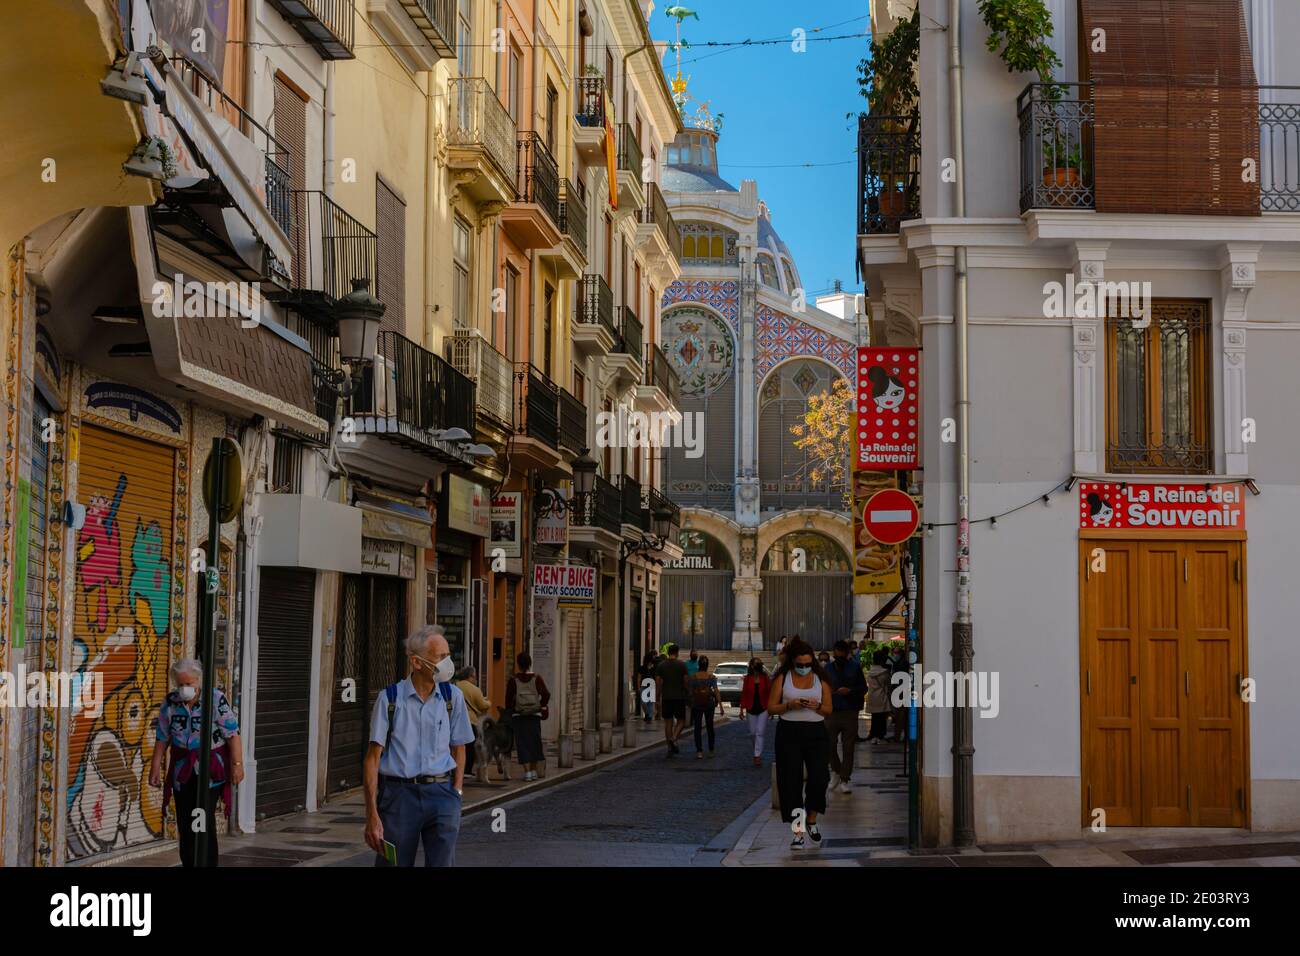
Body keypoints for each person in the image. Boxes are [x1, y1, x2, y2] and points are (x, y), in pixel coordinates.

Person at [364, 625, 474, 867]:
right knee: (393, 864)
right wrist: (372, 813)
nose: (448, 663)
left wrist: (456, 791)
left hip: (443, 795)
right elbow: (372, 759)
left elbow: (459, 747)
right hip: (399, 798)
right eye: (441, 657)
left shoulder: (452, 697)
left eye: (448, 655)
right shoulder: (390, 699)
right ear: (416, 662)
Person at [149, 658, 243, 867]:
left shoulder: (215, 699)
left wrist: (237, 765)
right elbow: (162, 737)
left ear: (198, 681)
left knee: (201, 818)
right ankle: (190, 862)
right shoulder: (170, 703)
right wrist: (155, 767)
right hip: (183, 771)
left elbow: (232, 733)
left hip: (209, 771)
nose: (184, 689)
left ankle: (206, 863)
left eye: (189, 684)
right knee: (185, 820)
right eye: (181, 684)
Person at [768, 637, 833, 850]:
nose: (804, 668)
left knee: (820, 778)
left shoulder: (820, 679)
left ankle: (812, 819)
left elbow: (828, 710)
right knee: (790, 782)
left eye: (808, 664)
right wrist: (789, 705)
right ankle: (797, 832)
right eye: (800, 665)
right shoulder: (782, 678)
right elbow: (771, 708)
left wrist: (816, 706)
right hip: (789, 732)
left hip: (816, 732)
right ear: (792, 662)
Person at [824, 640, 867, 794]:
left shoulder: (855, 667)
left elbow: (863, 687)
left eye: (842, 651)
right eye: (837, 651)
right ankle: (835, 770)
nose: (839, 654)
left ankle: (844, 778)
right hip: (832, 711)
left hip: (850, 711)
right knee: (829, 744)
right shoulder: (828, 668)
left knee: (848, 747)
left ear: (847, 652)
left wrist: (850, 690)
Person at [506, 652, 550, 781]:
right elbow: (546, 694)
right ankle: (534, 770)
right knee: (535, 743)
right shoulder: (537, 679)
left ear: (518, 664)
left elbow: (508, 699)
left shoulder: (513, 680)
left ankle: (527, 773)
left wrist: (511, 710)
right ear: (530, 663)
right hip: (534, 715)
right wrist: (540, 705)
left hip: (518, 716)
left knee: (522, 743)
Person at [454, 666, 493, 779]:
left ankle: (454, 769)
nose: (475, 679)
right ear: (470, 676)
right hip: (470, 721)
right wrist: (488, 702)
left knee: (456, 746)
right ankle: (467, 770)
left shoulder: (455, 686)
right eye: (474, 676)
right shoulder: (474, 689)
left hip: (455, 720)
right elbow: (482, 705)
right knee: (470, 747)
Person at [655, 643, 689, 756]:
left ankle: (670, 748)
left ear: (668, 652)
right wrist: (687, 692)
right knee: (681, 721)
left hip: (666, 697)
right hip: (679, 697)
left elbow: (658, 683)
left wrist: (657, 698)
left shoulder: (661, 665)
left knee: (668, 722)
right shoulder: (682, 665)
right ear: (677, 653)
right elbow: (685, 682)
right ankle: (674, 738)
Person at [739, 657, 772, 767]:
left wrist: (771, 708)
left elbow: (769, 693)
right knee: (752, 733)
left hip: (763, 708)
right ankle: (756, 750)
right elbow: (744, 694)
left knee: (760, 732)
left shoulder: (765, 678)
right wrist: (741, 710)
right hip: (750, 708)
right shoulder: (747, 679)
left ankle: (757, 755)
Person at [687, 655, 722, 758]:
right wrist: (720, 705)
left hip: (697, 704)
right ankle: (711, 749)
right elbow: (716, 691)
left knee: (697, 727)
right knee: (710, 726)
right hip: (709, 703)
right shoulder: (711, 677)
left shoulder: (693, 678)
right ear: (707, 665)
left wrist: (690, 703)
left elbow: (690, 692)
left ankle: (699, 751)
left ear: (699, 665)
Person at [866, 649, 892, 744]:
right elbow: (888, 685)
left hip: (872, 696)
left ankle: (873, 735)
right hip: (882, 697)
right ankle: (880, 736)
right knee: (882, 717)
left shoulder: (870, 671)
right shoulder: (885, 672)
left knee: (874, 717)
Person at [887, 642, 909, 742]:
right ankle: (899, 735)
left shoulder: (902, 663)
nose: (894, 654)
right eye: (894, 652)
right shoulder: (899, 662)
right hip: (900, 691)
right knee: (900, 715)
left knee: (901, 715)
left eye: (896, 653)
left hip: (901, 691)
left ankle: (898, 736)